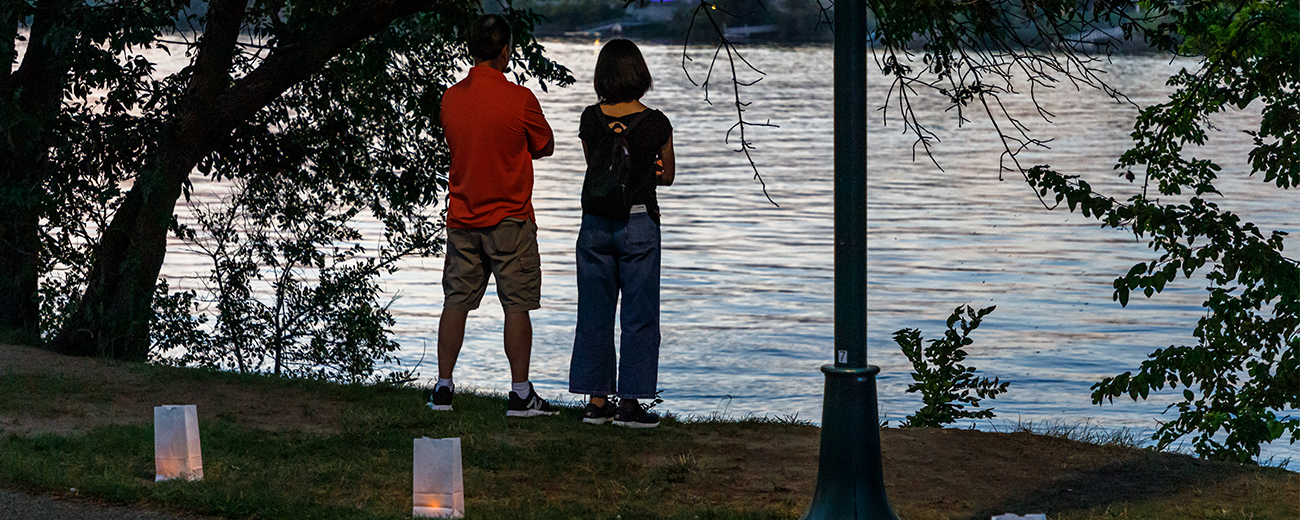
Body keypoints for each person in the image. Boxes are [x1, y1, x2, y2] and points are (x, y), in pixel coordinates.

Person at [428, 14, 558, 417]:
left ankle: (443, 389)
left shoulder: (450, 99)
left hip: (463, 217)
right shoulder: (520, 99)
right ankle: (520, 394)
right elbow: (545, 145)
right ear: (505, 52)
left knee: (455, 301)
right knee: (516, 304)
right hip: (510, 220)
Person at [569, 39, 675, 428]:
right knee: (639, 316)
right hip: (639, 223)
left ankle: (597, 402)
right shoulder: (657, 122)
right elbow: (668, 176)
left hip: (595, 223)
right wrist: (651, 170)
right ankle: (629, 404)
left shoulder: (588, 119)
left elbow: (597, 171)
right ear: (639, 75)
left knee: (594, 313)